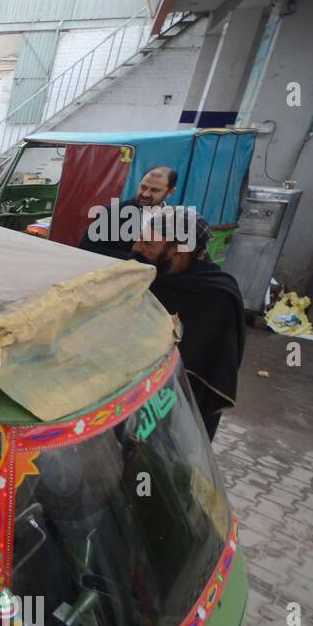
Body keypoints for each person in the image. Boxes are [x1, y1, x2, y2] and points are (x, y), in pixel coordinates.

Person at [131, 211, 245, 440]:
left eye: (148, 243)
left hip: (178, 409)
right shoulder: (147, 271)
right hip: (132, 396)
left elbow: (204, 371)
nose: (137, 247)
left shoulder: (217, 296)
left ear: (180, 249)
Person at [79, 165, 178, 256]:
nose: (145, 194)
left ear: (170, 192)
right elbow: (86, 248)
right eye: (143, 187)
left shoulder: (177, 220)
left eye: (154, 190)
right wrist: (135, 259)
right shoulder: (111, 213)